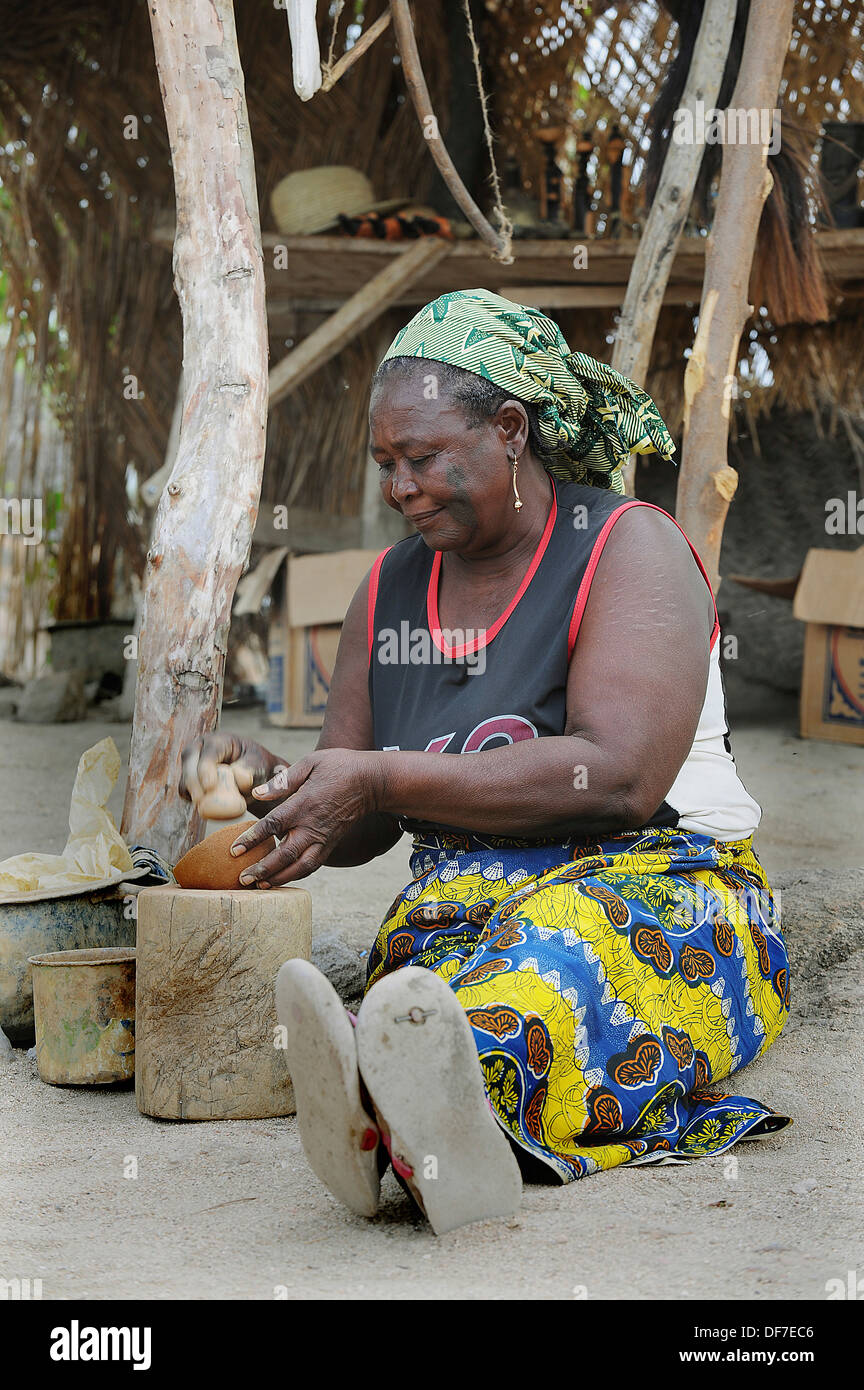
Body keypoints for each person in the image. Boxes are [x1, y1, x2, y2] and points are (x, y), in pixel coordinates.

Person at [180, 288, 791, 1236]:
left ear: (510, 429)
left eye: (425, 457)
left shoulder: (627, 549)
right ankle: (403, 1111)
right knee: (425, 984)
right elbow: (362, 821)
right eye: (386, 463)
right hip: (466, 896)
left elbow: (621, 776)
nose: (401, 488)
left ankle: (421, 1121)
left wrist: (380, 774)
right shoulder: (387, 588)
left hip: (664, 885)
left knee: (554, 961)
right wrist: (279, 783)